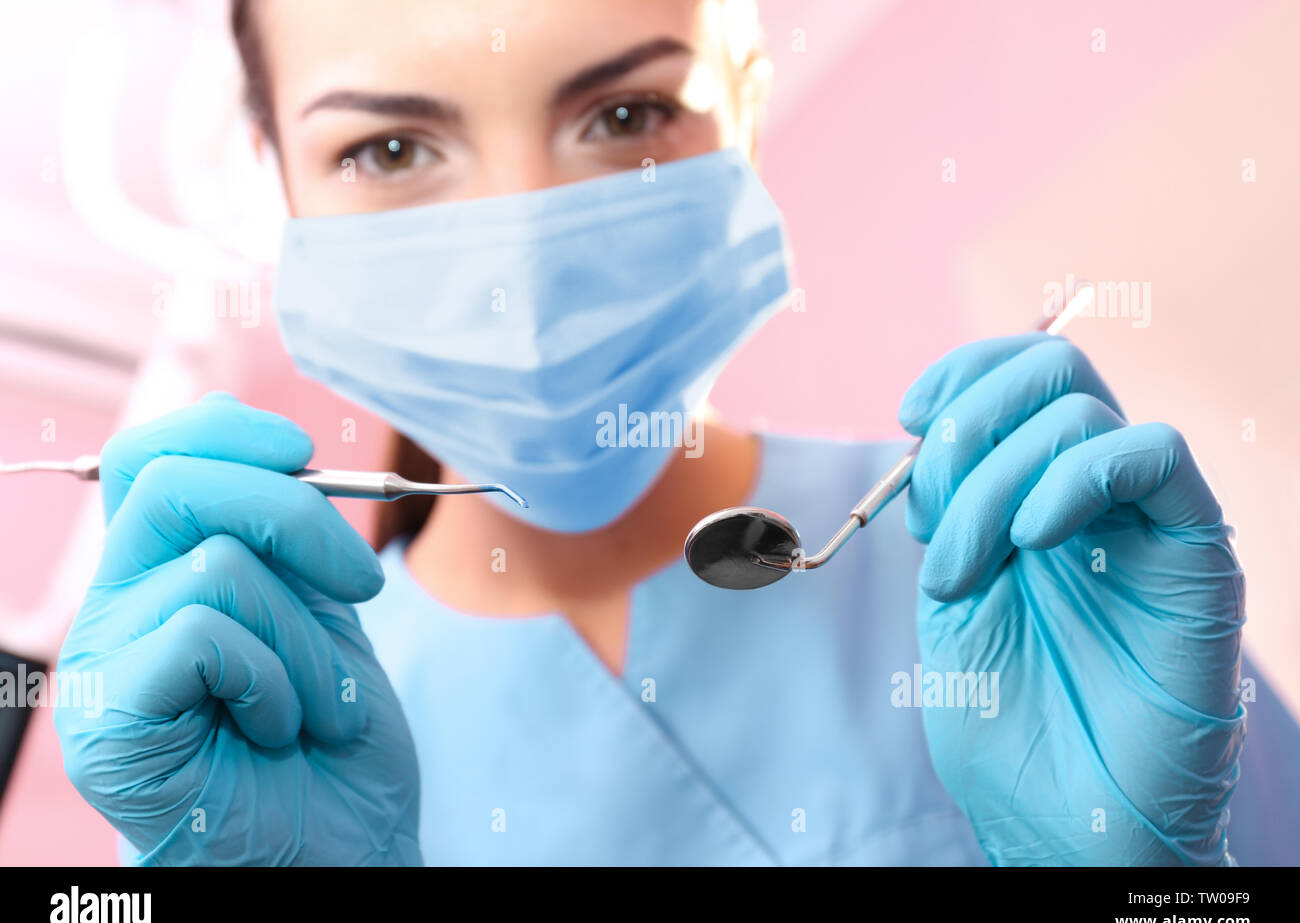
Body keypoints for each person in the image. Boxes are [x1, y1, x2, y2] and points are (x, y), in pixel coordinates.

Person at [53, 0, 1298, 866]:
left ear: (742, 111)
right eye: (389, 146)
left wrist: (1153, 891)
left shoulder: (1040, 569)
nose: (522, 275)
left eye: (625, 115)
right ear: (277, 183)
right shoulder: (261, 712)